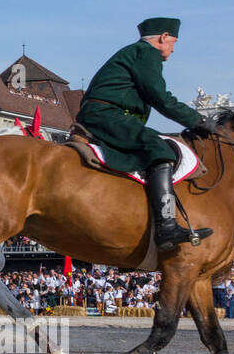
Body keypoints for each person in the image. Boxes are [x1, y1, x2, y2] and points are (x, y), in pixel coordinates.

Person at [76, 17, 214, 252]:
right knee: (160, 149)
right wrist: (198, 121)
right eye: (174, 42)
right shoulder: (146, 53)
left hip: (103, 112)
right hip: (106, 114)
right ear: (163, 38)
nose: (173, 49)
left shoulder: (134, 53)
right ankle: (166, 225)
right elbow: (159, 97)